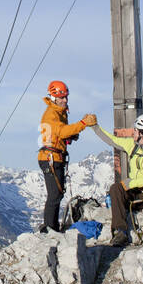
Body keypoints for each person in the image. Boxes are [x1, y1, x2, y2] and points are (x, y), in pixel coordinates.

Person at [91, 114, 143, 246]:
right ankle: (120, 232)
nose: (133, 132)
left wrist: (132, 183)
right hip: (133, 193)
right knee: (116, 188)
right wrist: (95, 127)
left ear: (142, 134)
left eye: (136, 130)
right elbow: (112, 140)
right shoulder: (133, 145)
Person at [37, 80, 96, 234]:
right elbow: (62, 132)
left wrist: (73, 133)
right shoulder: (52, 114)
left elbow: (60, 134)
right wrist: (83, 123)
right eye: (62, 98)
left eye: (65, 97)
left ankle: (51, 227)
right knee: (55, 195)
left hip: (55, 156)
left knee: (57, 194)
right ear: (54, 97)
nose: (65, 100)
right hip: (51, 157)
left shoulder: (59, 113)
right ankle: (49, 228)